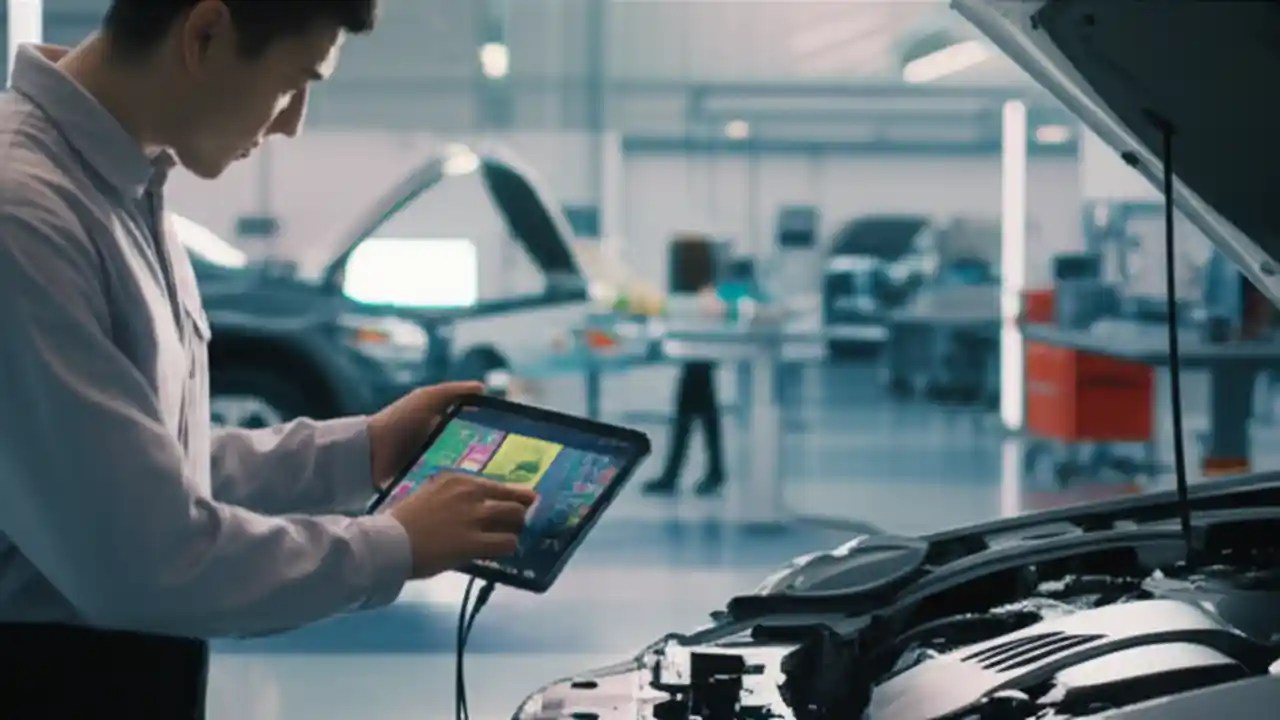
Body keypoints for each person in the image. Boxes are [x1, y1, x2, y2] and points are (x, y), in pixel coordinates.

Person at [0, 2, 537, 717]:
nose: (292, 122)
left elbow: (146, 469)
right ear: (205, 34)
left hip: (118, 669)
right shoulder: (26, 214)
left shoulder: (126, 194)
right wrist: (394, 545)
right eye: (294, 81)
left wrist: (364, 451)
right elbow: (143, 558)